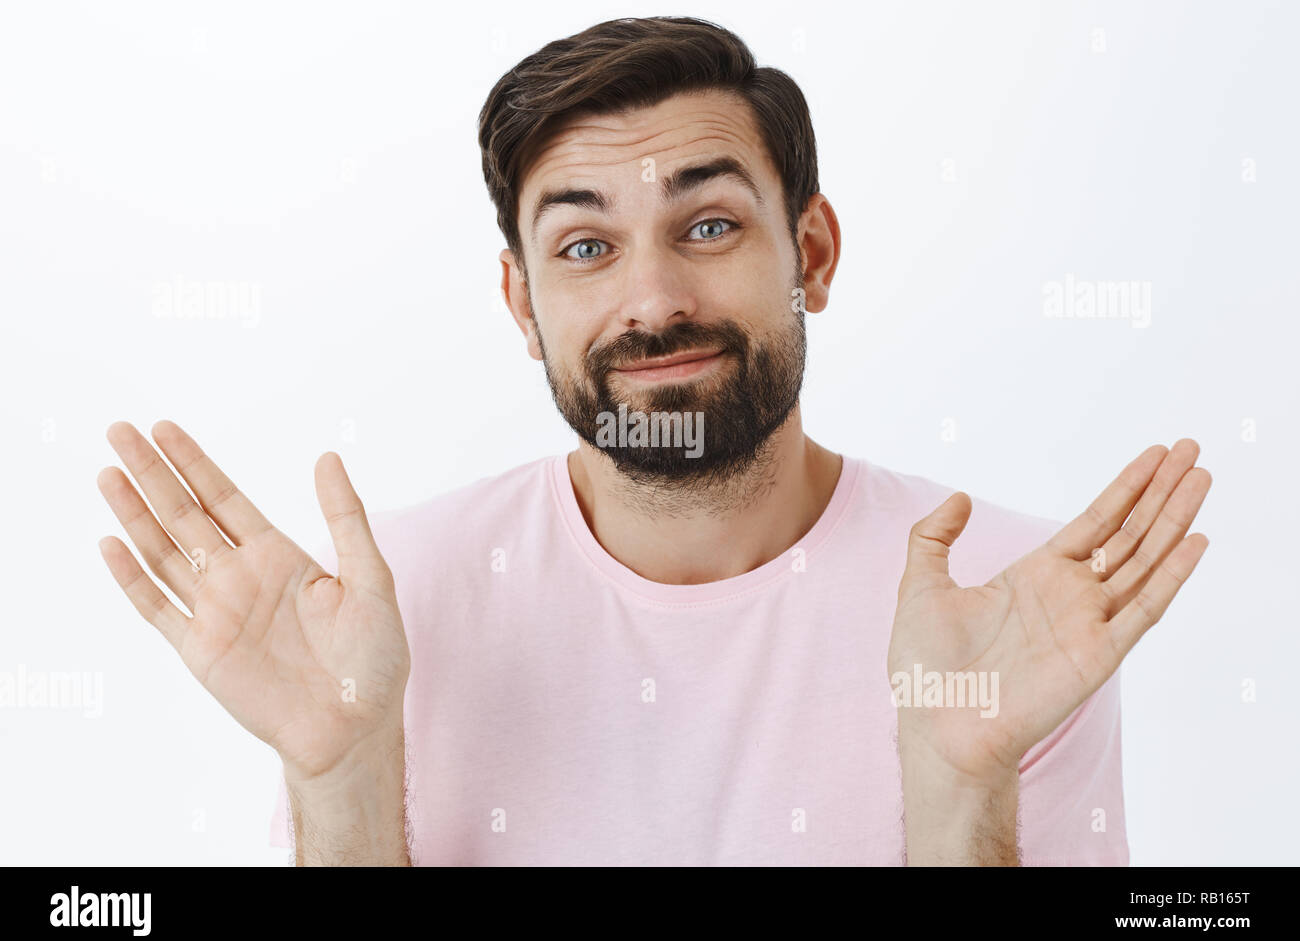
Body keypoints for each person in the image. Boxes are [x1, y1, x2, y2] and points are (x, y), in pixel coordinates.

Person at [95, 16, 1211, 866]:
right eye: (584, 246)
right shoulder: (391, 598)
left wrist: (957, 780)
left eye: (710, 224)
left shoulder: (1002, 597)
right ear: (522, 303)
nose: (654, 298)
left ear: (810, 252)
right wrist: (339, 778)